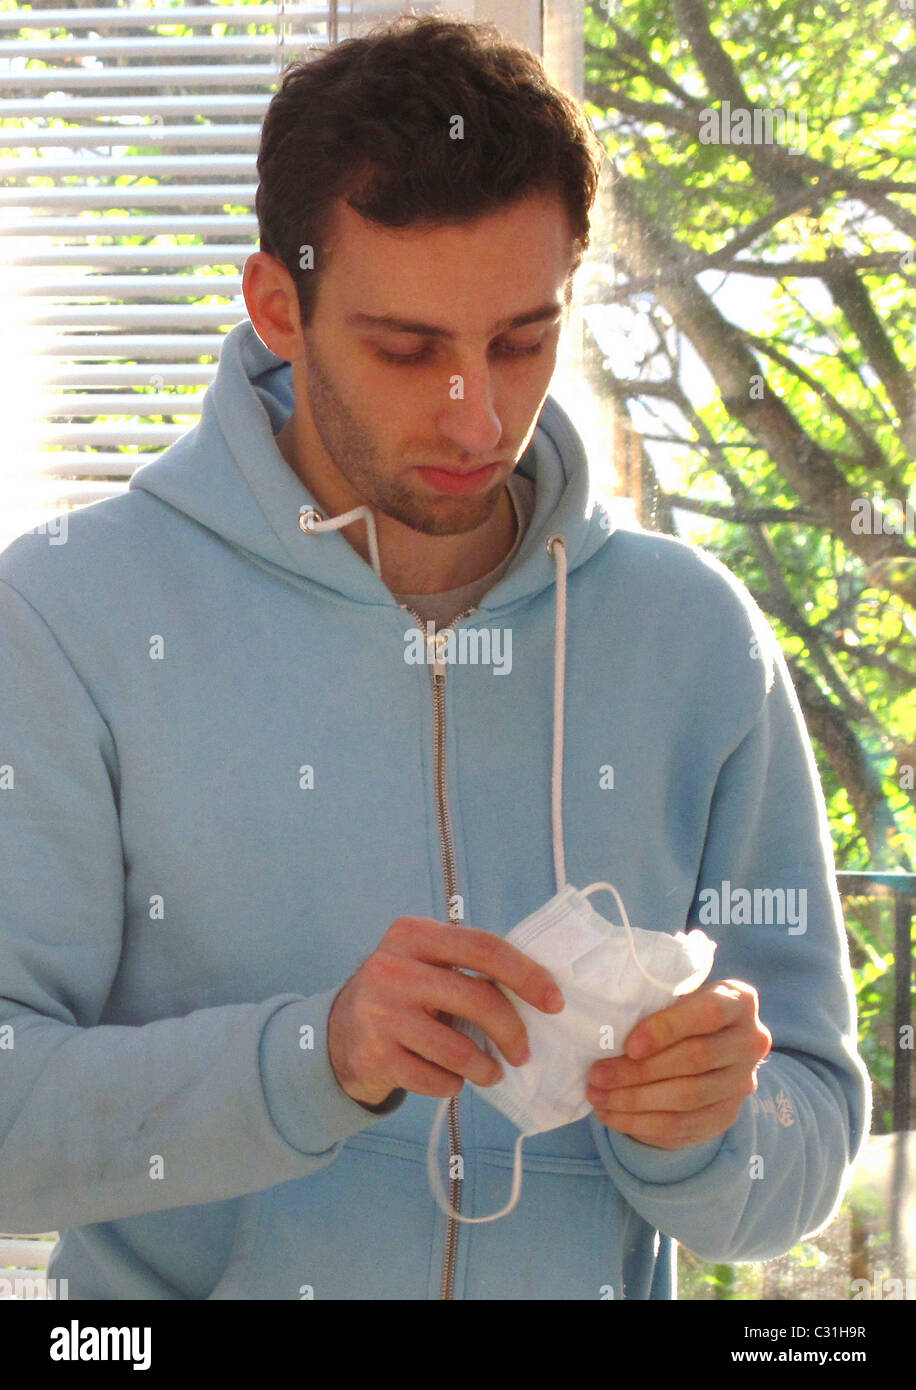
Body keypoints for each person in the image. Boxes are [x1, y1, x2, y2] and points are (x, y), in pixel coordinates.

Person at [0, 13, 869, 1301]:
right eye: (409, 349)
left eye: (523, 340)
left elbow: (799, 1157)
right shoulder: (65, 616)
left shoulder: (696, 639)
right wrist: (317, 1057)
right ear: (277, 307)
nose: (479, 414)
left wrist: (708, 1134)